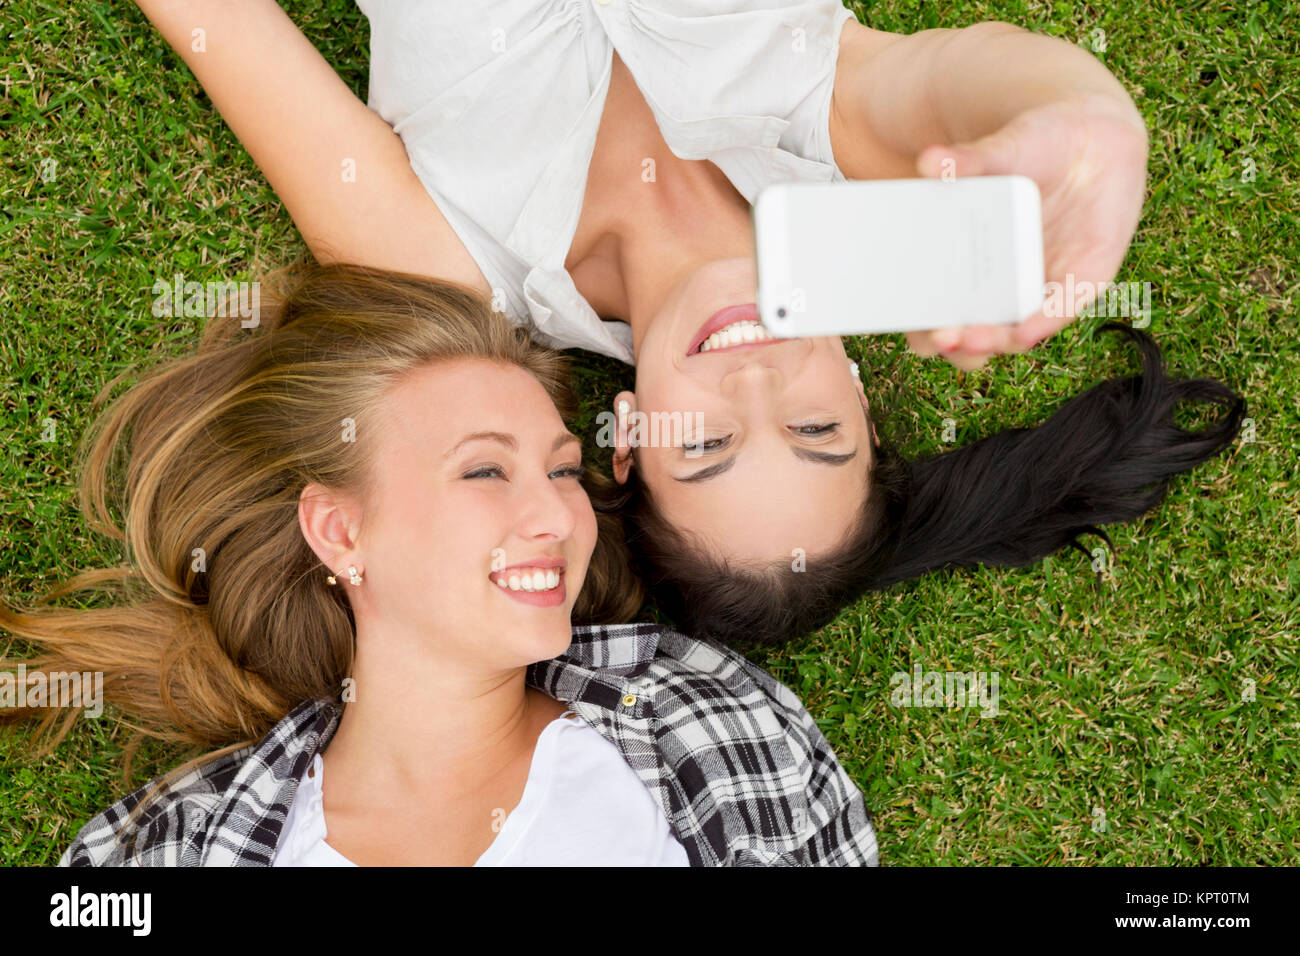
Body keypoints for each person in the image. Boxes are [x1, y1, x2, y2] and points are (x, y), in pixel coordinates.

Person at [124, 1, 1241, 647]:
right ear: (857, 389)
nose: (753, 387)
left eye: (704, 448)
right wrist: (1091, 117)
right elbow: (942, 73)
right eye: (815, 431)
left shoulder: (456, 271)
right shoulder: (845, 164)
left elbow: (218, 23)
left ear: (621, 443)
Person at [0, 262, 878, 866]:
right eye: (486, 469)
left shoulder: (713, 723)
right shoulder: (171, 849)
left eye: (564, 470)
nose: (557, 516)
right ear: (342, 533)